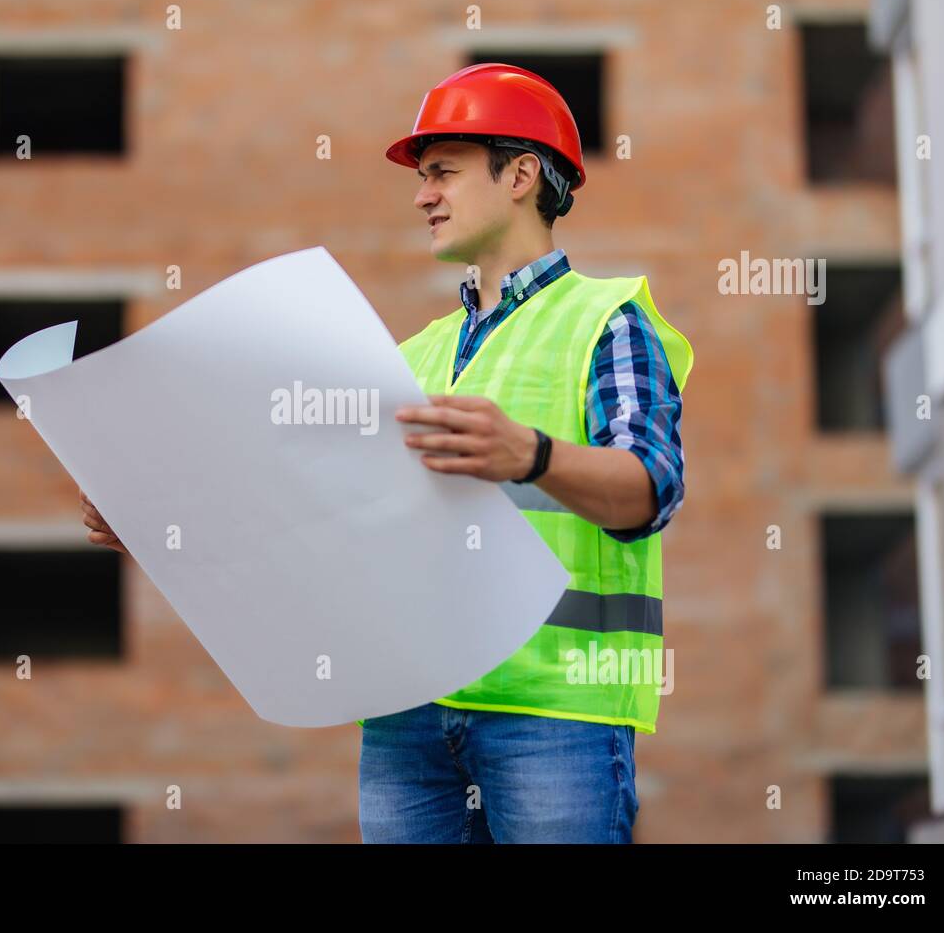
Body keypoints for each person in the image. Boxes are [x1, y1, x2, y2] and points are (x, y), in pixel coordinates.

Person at [82, 62, 694, 843]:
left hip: (556, 714)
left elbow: (651, 490)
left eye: (442, 171)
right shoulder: (414, 357)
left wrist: (533, 456)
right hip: (408, 714)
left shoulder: (606, 320)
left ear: (521, 175)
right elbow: (324, 520)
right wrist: (162, 525)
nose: (422, 194)